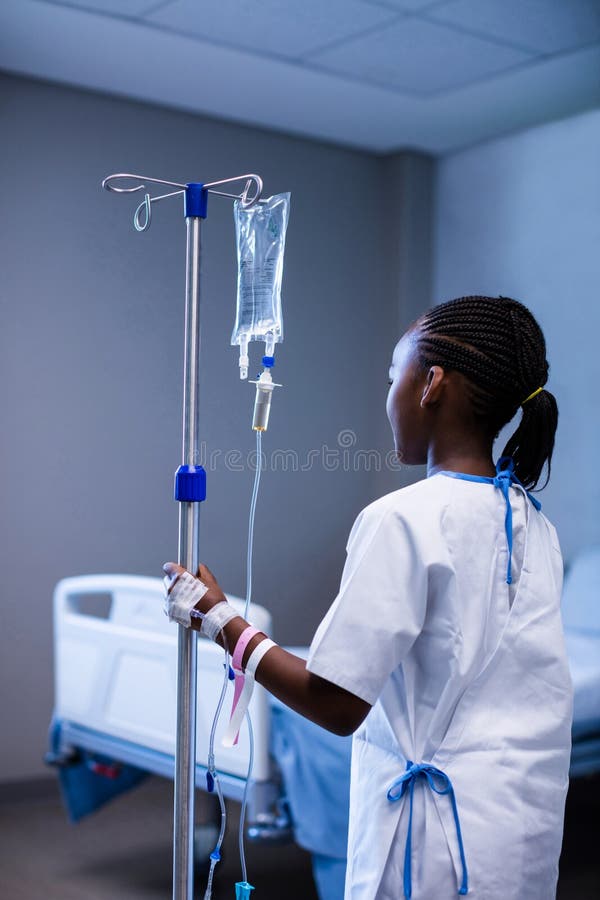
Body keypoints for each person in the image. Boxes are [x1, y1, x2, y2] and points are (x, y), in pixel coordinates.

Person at [164, 295, 573, 899]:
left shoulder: (403, 519)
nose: (388, 397)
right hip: (517, 831)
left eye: (393, 377)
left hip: (435, 846)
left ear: (430, 383)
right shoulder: (535, 524)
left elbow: (335, 702)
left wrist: (220, 619)